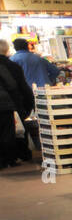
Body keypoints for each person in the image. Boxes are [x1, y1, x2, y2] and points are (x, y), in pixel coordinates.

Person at [0, 39, 35, 168]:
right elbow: (14, 85)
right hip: (7, 104)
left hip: (8, 103)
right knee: (11, 132)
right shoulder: (11, 65)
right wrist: (29, 102)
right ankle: (12, 158)